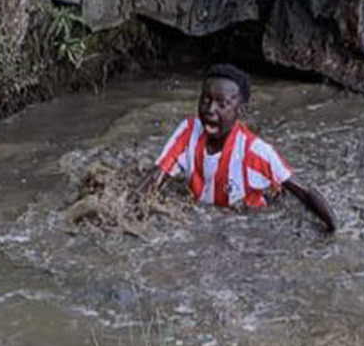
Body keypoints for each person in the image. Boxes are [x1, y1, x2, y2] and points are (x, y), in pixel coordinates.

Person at [141, 64, 337, 232]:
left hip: (249, 222)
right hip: (205, 216)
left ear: (240, 110)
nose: (210, 110)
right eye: (206, 100)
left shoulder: (257, 153)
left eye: (222, 104)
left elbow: (304, 192)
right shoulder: (188, 131)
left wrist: (333, 231)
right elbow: (155, 178)